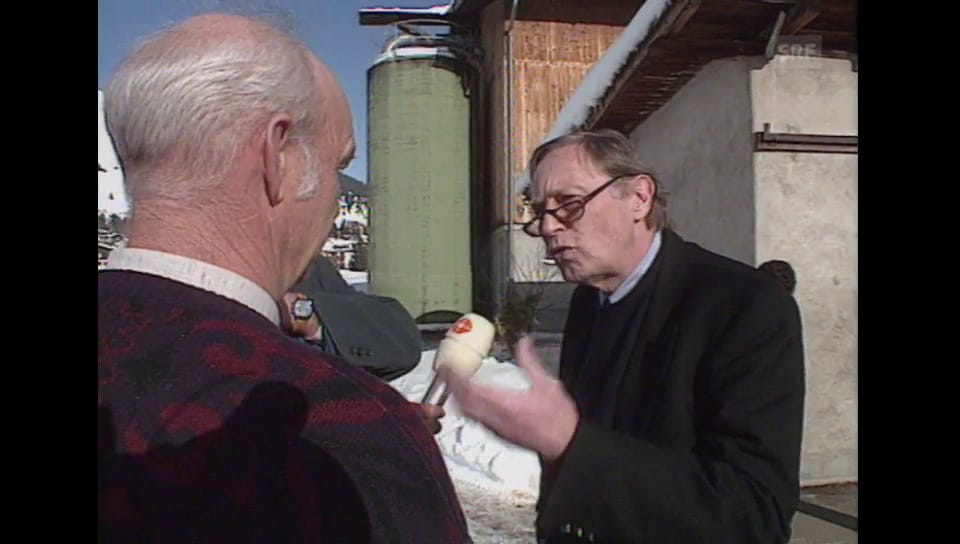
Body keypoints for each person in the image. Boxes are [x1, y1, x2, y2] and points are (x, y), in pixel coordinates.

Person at [98, 13, 469, 543]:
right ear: (278, 157)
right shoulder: (345, 443)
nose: (337, 193)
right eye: (338, 164)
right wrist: (376, 429)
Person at [442, 129, 805, 543]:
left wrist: (572, 443)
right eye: (541, 210)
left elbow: (754, 515)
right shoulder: (587, 302)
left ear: (639, 198)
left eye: (570, 204)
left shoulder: (745, 306)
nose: (546, 226)